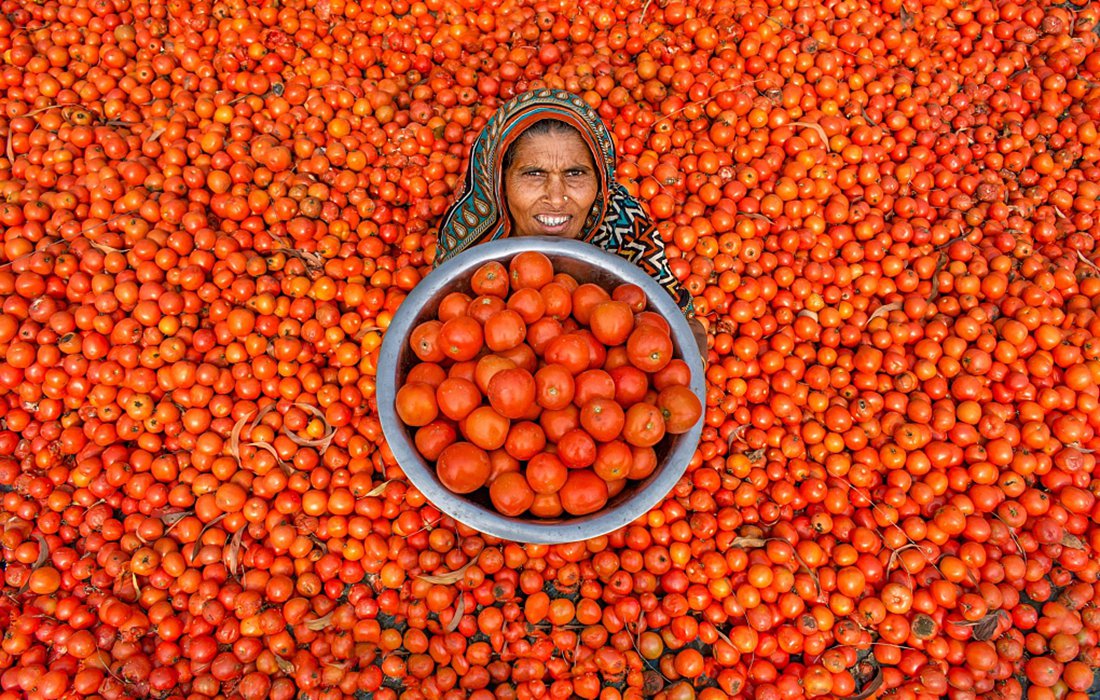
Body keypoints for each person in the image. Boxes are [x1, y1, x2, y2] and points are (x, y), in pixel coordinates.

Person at [433, 88, 708, 355]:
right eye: (534, 174)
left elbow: (681, 326)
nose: (556, 198)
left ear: (600, 179)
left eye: (575, 173)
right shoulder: (472, 228)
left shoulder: (623, 225)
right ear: (500, 182)